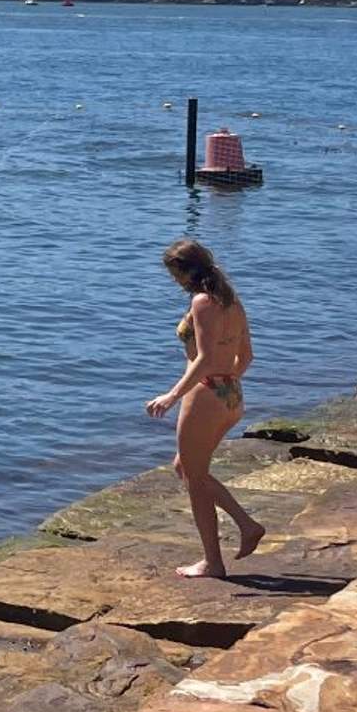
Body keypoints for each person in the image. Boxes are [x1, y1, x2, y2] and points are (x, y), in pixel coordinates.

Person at [146, 238, 264, 579]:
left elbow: (205, 358)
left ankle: (215, 560)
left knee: (195, 478)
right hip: (231, 395)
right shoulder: (231, 301)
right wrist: (226, 384)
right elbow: (246, 357)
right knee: (185, 467)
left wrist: (172, 395)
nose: (174, 281)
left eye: (173, 274)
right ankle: (245, 526)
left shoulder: (202, 302)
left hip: (206, 395)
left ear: (184, 272)